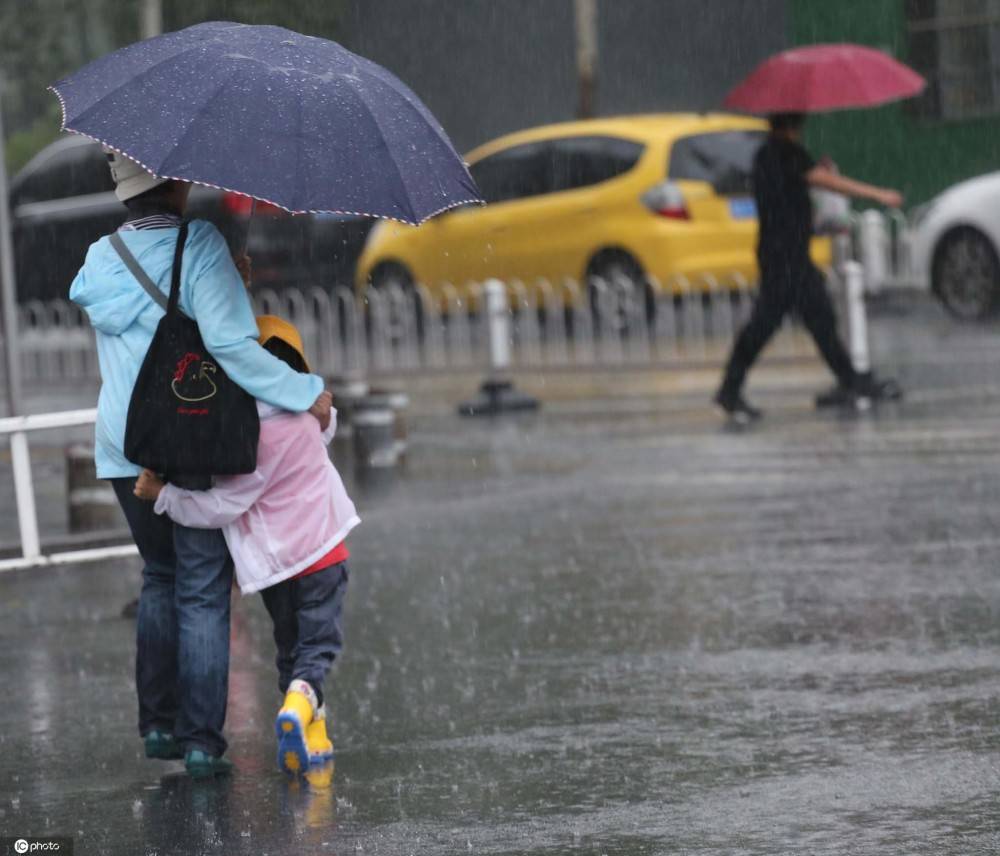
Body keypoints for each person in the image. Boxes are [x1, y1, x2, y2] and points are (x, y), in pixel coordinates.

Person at [70, 151, 332, 779]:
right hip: (187, 435)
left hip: (119, 442)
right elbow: (229, 347)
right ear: (178, 184)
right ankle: (200, 742)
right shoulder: (201, 242)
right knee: (202, 588)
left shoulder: (100, 257)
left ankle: (158, 724)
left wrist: (225, 287)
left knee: (159, 575)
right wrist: (304, 391)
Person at [133, 316, 359, 776]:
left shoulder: (241, 439)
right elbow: (326, 427)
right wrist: (324, 408)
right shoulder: (308, 421)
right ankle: (299, 710)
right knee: (318, 650)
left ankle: (312, 734)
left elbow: (218, 507)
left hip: (277, 572)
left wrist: (166, 497)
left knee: (290, 649)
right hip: (324, 556)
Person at [714, 113, 904, 423]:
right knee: (768, 324)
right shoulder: (787, 154)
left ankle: (850, 380)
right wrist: (878, 193)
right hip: (786, 259)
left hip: (781, 254)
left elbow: (792, 197)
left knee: (818, 319)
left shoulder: (765, 155)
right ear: (791, 127)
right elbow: (829, 184)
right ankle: (730, 389)